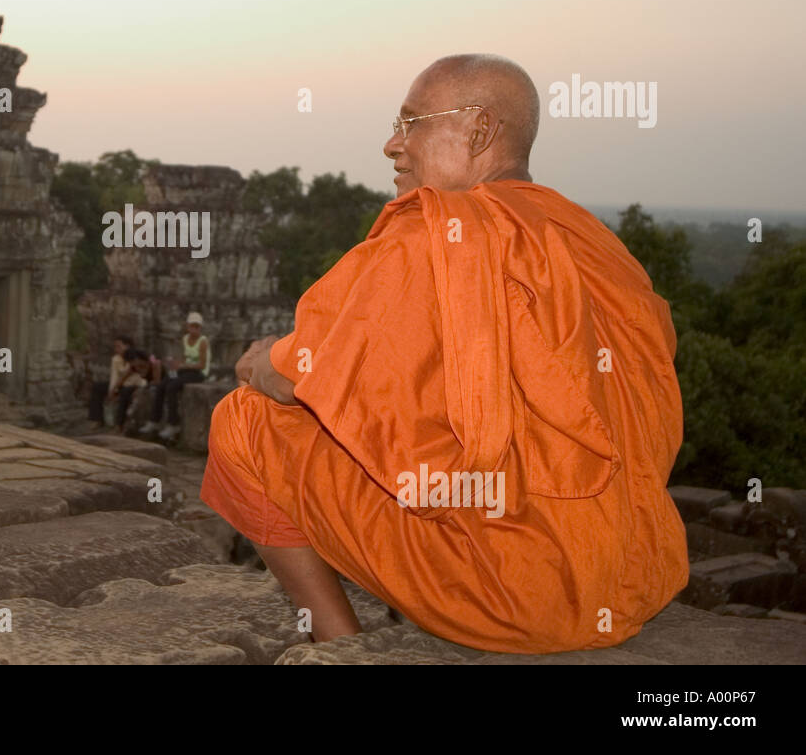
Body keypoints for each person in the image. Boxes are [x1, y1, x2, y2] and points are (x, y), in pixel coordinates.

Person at [201, 53, 689, 652]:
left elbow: (296, 375)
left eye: (412, 123)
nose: (391, 144)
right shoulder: (594, 241)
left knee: (243, 420)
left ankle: (340, 648)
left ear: (479, 130)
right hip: (635, 577)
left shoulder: (436, 233)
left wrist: (256, 361)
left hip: (512, 596)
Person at [140, 311, 211, 444]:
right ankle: (154, 420)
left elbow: (201, 364)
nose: (194, 329)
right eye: (192, 326)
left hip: (198, 373)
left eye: (197, 327)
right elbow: (184, 358)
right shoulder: (185, 339)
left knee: (172, 387)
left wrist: (183, 365)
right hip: (185, 370)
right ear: (188, 326)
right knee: (162, 385)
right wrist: (176, 364)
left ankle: (174, 423)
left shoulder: (203, 341)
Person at [88, 335, 134, 430]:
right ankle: (97, 419)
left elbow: (132, 377)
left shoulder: (134, 357)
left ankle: (119, 424)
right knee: (97, 387)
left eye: (119, 346)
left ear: (127, 346)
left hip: (132, 383)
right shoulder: (116, 359)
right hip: (119, 384)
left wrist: (115, 389)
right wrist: (112, 390)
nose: (117, 349)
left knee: (125, 392)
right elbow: (114, 376)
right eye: (115, 347)